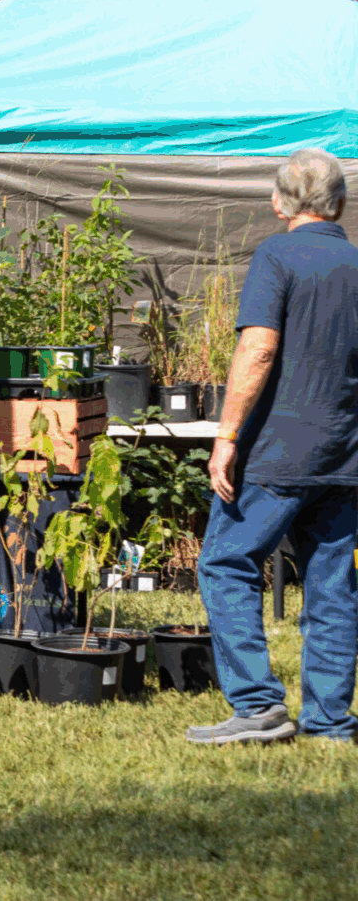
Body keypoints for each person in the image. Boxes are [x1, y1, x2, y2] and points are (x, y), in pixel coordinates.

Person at [189, 149, 358, 746]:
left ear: (278, 202)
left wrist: (226, 436)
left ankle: (258, 705)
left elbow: (258, 349)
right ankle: (331, 720)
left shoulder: (276, 255)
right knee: (331, 582)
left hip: (278, 451)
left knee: (226, 562)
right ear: (339, 202)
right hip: (344, 454)